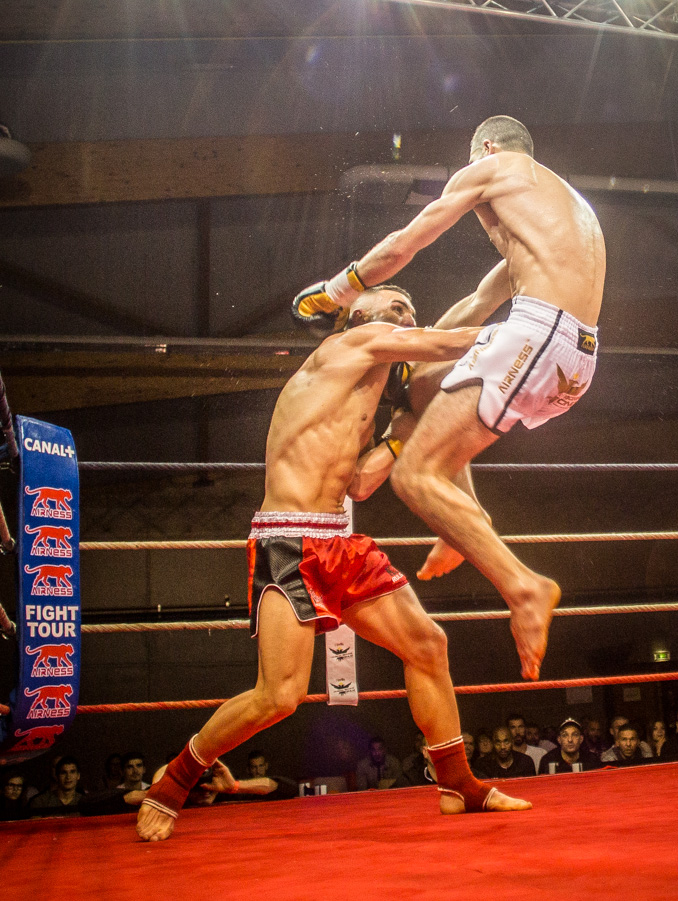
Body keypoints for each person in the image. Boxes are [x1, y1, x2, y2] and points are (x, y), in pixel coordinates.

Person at [138, 284, 529, 841]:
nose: (405, 316)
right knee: (280, 696)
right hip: (288, 540)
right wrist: (530, 334)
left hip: (338, 540)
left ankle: (457, 784)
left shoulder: (366, 391)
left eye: (410, 309)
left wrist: (398, 439)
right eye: (395, 306)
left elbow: (359, 485)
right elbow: (446, 341)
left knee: (428, 645)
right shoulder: (347, 345)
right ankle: (173, 782)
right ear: (356, 313)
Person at [294, 115, 605, 680]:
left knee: (415, 477)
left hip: (539, 334)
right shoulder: (560, 215)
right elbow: (481, 301)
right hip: (575, 362)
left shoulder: (497, 167)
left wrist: (335, 290)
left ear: (485, 149)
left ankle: (523, 587)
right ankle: (464, 521)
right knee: (426, 387)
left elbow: (405, 243)